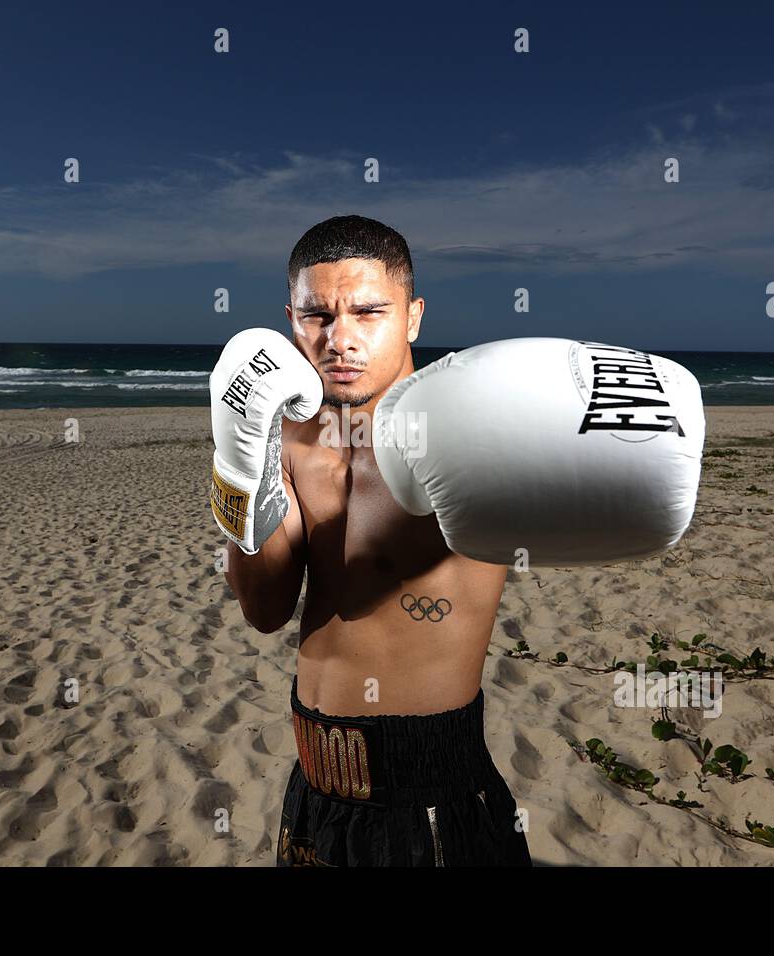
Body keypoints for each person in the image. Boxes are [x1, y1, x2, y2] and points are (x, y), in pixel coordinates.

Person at [209, 215, 533, 866]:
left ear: (412, 318)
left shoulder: (467, 434)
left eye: (367, 312)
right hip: (315, 787)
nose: (340, 339)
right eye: (317, 316)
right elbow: (266, 610)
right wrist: (238, 474)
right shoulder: (290, 440)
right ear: (290, 319)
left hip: (430, 793)